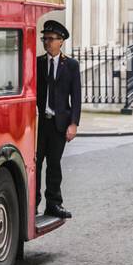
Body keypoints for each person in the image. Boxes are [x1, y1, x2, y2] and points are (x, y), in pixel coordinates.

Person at [35, 20, 80, 219]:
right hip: (39, 124)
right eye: (44, 38)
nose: (46, 42)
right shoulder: (38, 63)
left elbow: (76, 97)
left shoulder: (70, 65)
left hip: (59, 123)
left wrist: (73, 124)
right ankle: (32, 203)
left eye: (50, 39)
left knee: (54, 164)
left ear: (61, 41)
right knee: (35, 165)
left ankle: (53, 203)